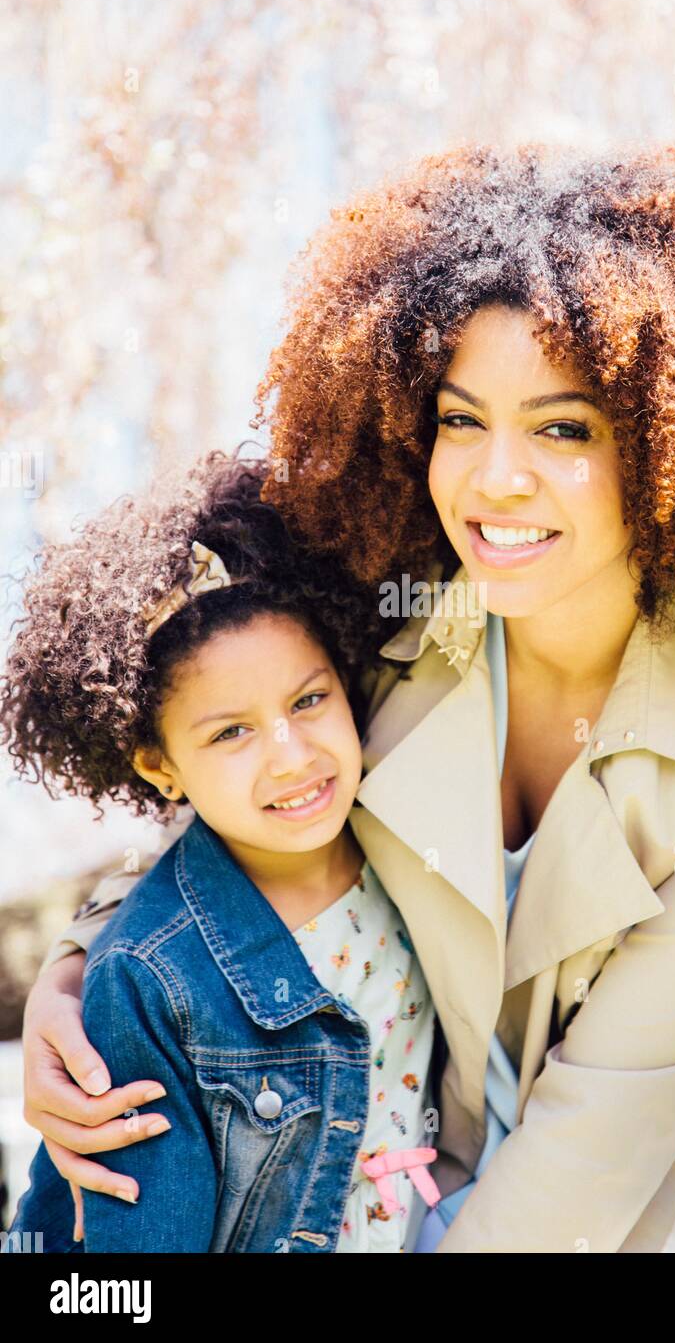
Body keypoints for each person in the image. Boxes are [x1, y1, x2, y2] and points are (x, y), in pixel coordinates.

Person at [16, 141, 675, 1251]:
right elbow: (240, 778)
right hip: (437, 1176)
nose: (492, 477)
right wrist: (80, 975)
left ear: (670, 449)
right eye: (462, 420)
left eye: (562, 429)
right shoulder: (385, 614)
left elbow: (602, 1125)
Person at [0, 448, 440, 1252]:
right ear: (161, 767)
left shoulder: (410, 845)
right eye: (231, 731)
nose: (290, 755)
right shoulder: (149, 979)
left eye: (309, 699)